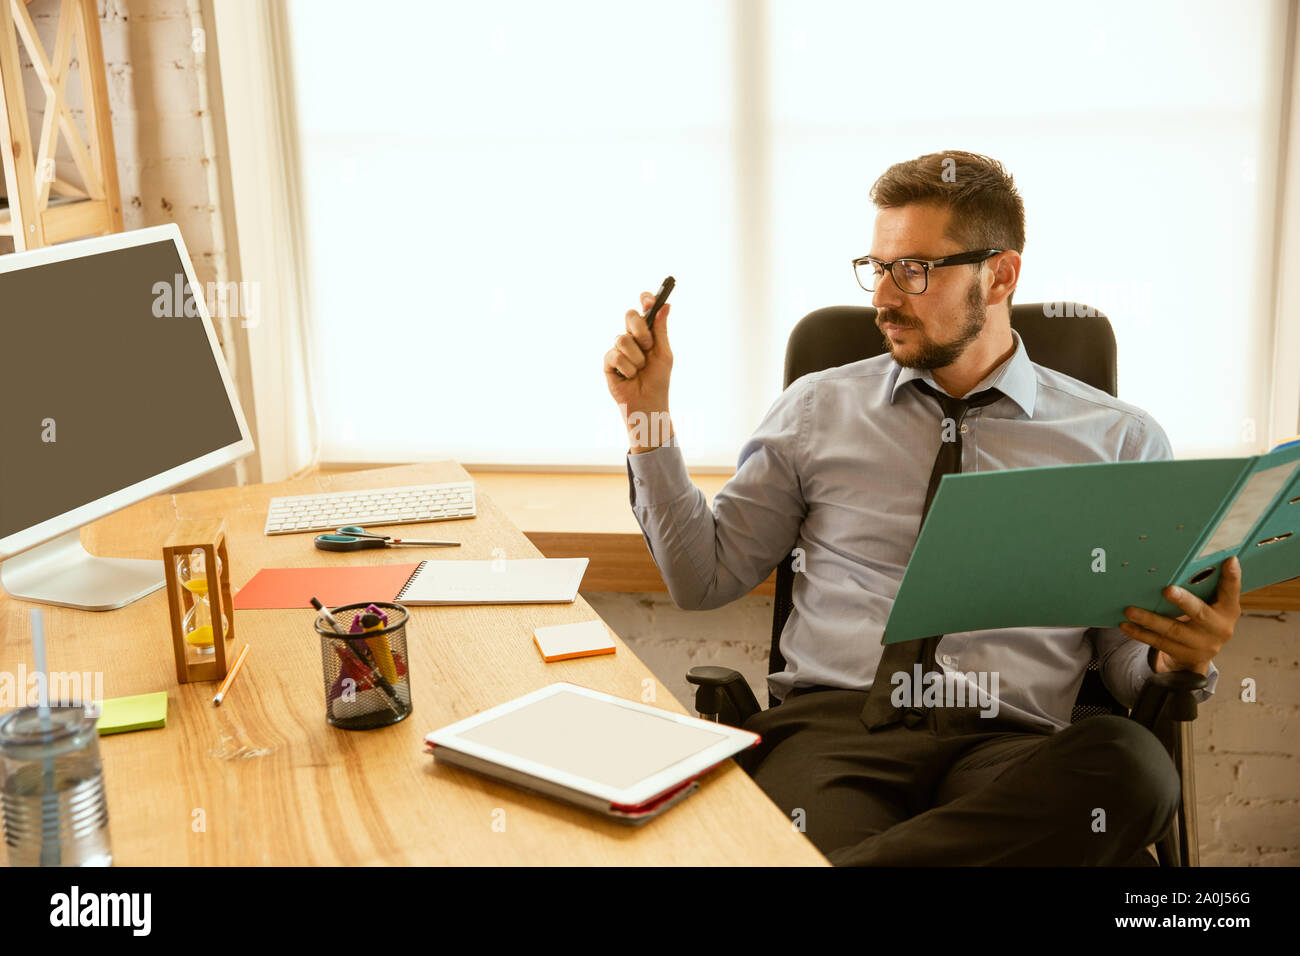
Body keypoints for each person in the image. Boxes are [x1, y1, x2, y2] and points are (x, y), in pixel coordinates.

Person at [602, 150, 1235, 866]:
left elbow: (1125, 665)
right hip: (834, 740)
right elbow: (701, 578)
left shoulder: (1119, 440)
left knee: (1134, 765)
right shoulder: (817, 409)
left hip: (1014, 751)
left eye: (913, 270)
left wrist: (1174, 658)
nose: (882, 297)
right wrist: (645, 413)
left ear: (1000, 274)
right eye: (876, 268)